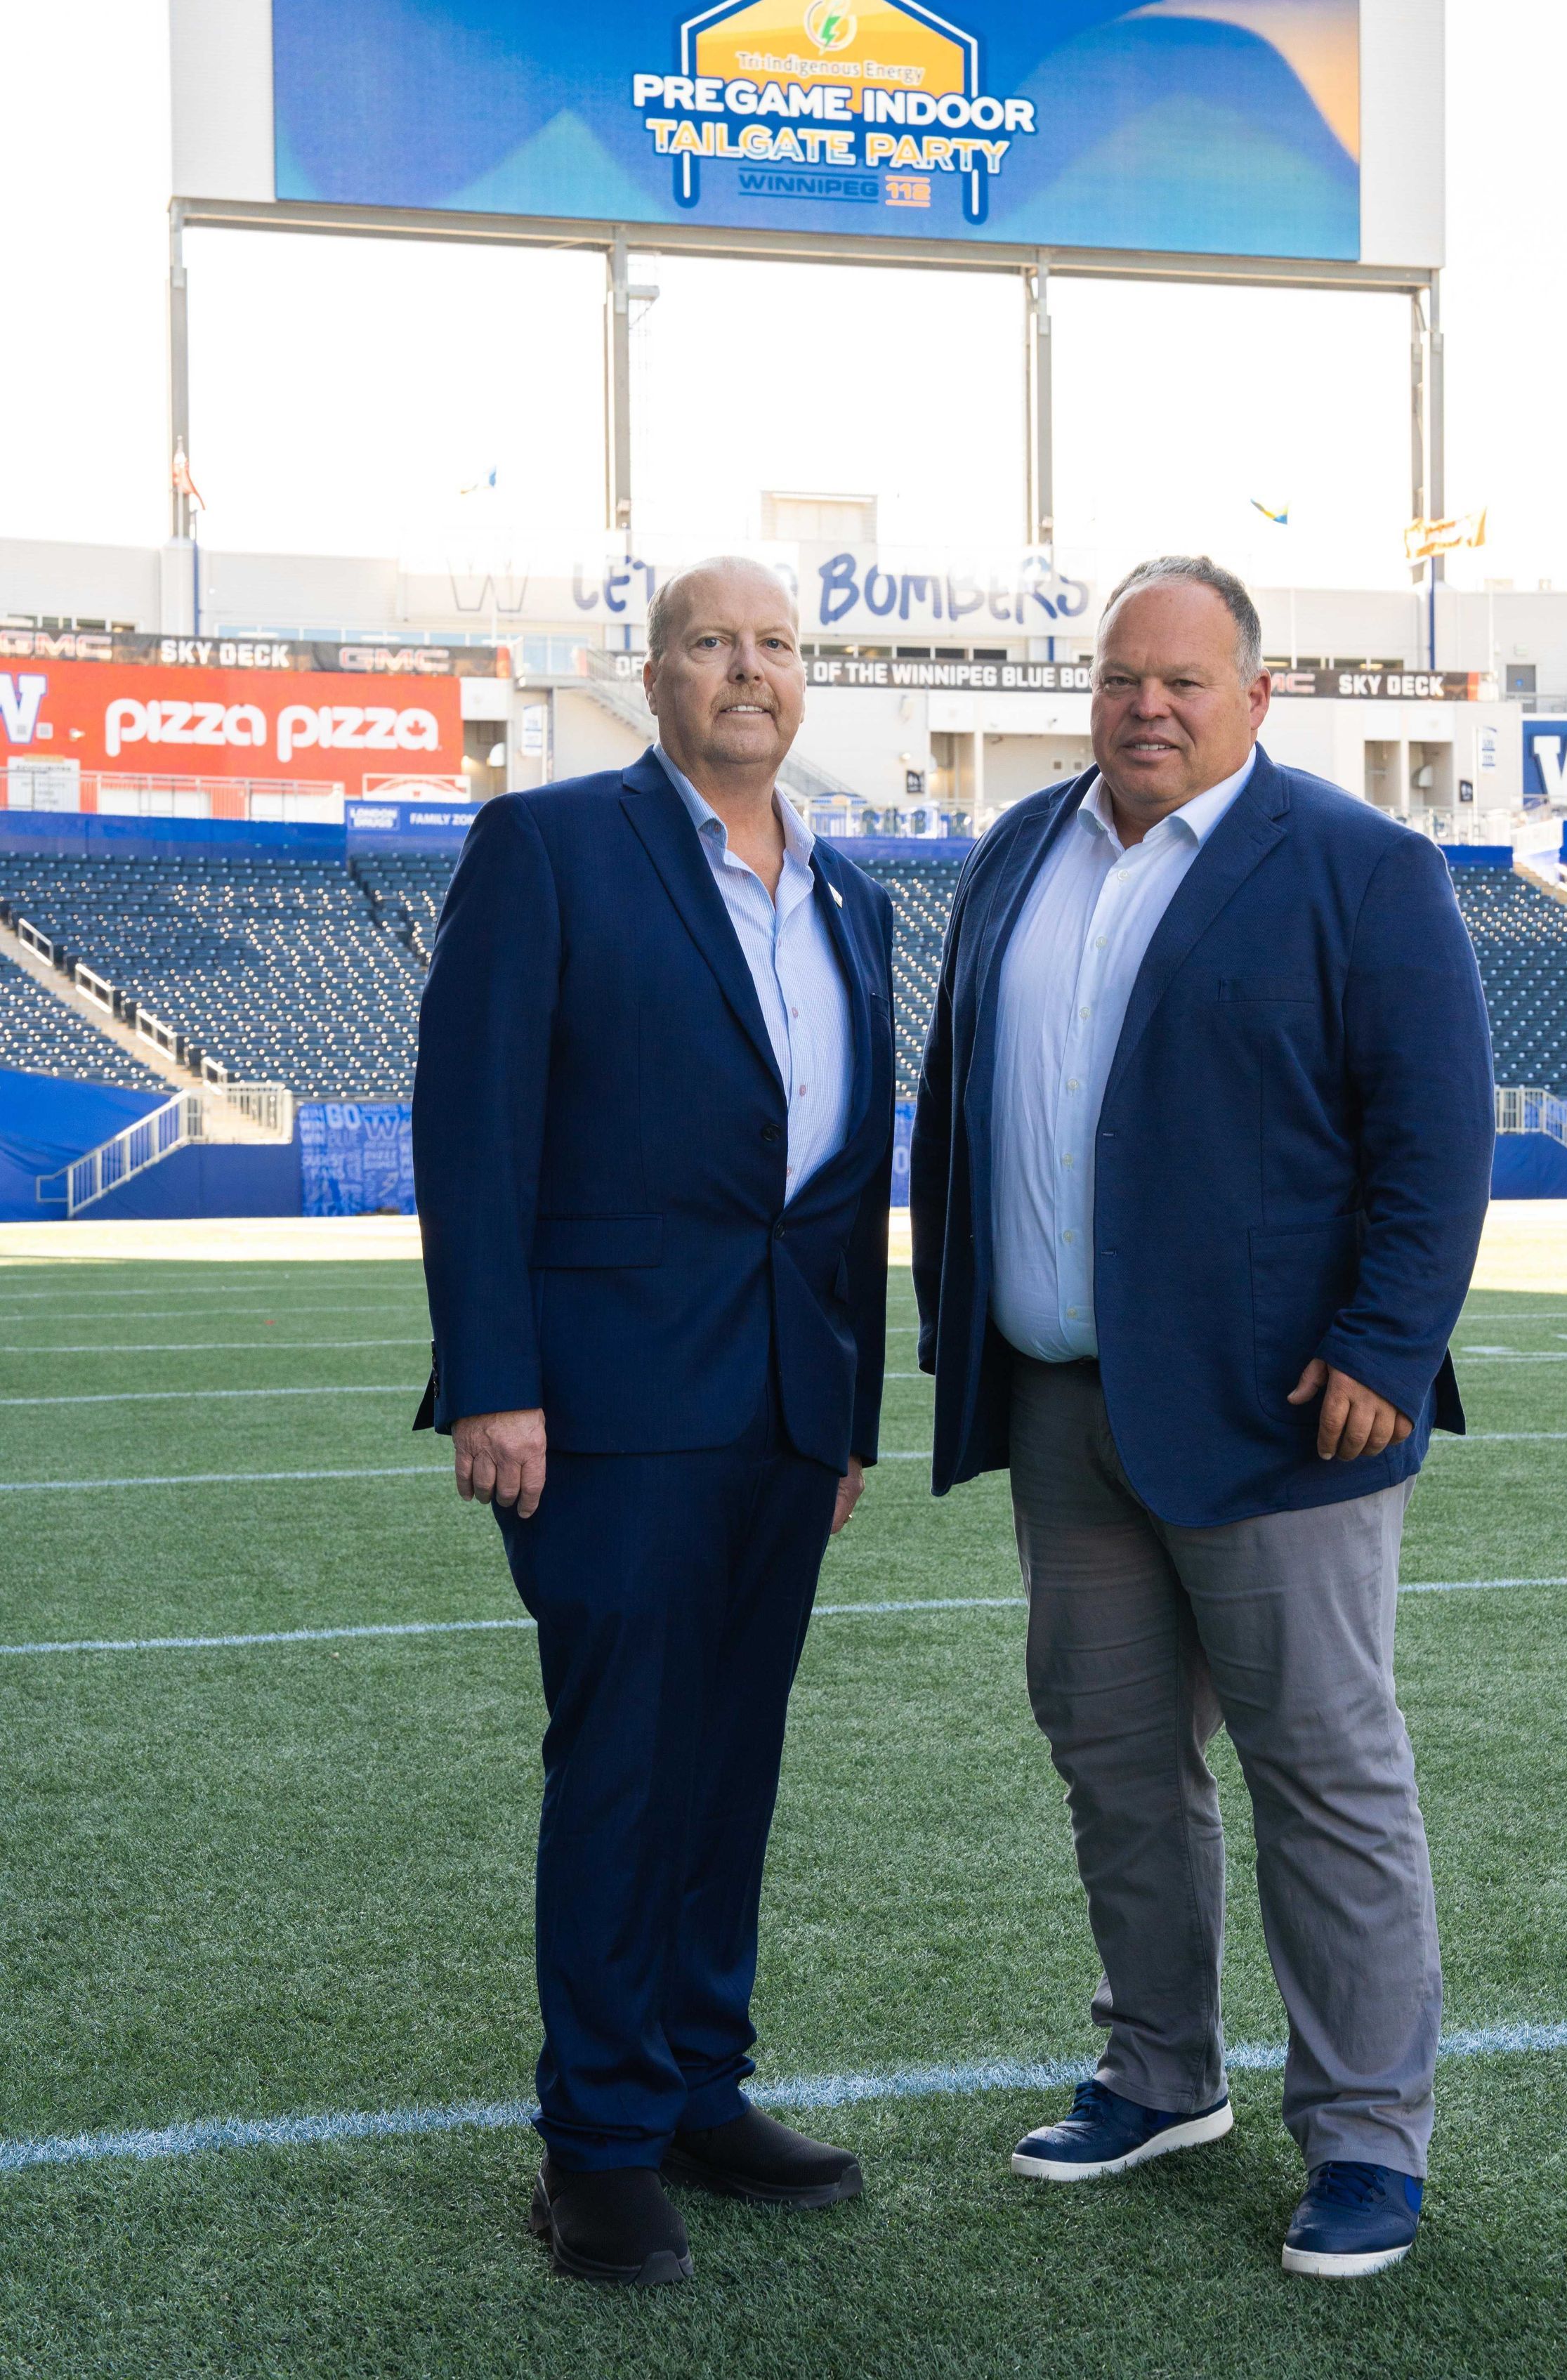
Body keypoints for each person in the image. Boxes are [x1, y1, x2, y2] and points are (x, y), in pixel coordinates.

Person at [910, 555, 1493, 2280]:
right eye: (1118, 678)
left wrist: (1385, 1348)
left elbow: (1434, 1132)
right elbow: (963, 1110)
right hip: (1065, 1407)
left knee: (1324, 1775)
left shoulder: (1362, 869)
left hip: (1279, 1420)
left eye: (1182, 679)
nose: (1145, 706)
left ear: (1257, 696)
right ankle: (1160, 2073)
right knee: (1113, 1764)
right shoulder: (1018, 851)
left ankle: (1369, 2139)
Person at [413, 556, 895, 2288]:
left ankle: (699, 2082)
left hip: (779, 1401)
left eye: (776, 645)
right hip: (602, 1405)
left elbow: (846, 1191)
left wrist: (845, 1408)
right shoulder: (549, 846)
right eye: (714, 644)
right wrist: (491, 1374)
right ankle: (597, 2142)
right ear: (656, 673)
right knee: (622, 1769)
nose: (748, 671)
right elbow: (470, 1125)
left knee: (730, 1764)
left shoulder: (851, 896)